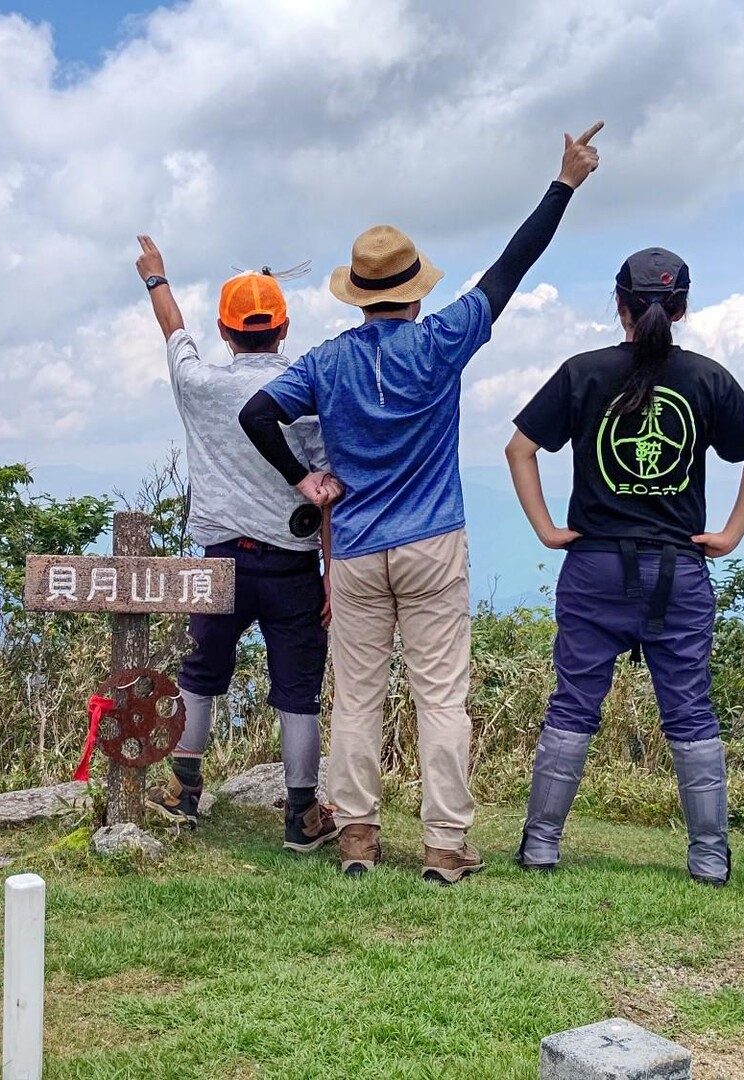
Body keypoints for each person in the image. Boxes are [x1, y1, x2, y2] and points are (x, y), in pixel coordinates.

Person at [239, 121, 605, 884]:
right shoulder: (443, 341)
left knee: (358, 697)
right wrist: (564, 181)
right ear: (411, 289)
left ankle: (358, 838)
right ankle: (444, 845)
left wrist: (305, 482)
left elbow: (257, 416)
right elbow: (512, 265)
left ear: (359, 292)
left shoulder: (326, 361)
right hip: (434, 540)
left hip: (360, 550)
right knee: (443, 698)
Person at [506, 247, 744, 885]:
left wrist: (546, 530)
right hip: (680, 568)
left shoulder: (583, 373)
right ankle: (708, 856)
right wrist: (731, 533)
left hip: (593, 566)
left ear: (618, 304)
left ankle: (541, 844)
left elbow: (519, 448)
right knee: (690, 710)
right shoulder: (707, 378)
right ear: (682, 308)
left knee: (573, 704)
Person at [133, 236, 338, 854]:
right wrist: (333, 575)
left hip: (218, 561)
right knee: (297, 688)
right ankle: (301, 816)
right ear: (284, 329)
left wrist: (155, 279)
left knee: (200, 674)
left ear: (225, 332)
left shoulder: (198, 385)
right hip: (292, 564)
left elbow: (174, 333)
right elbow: (327, 494)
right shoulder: (309, 398)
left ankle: (183, 791)